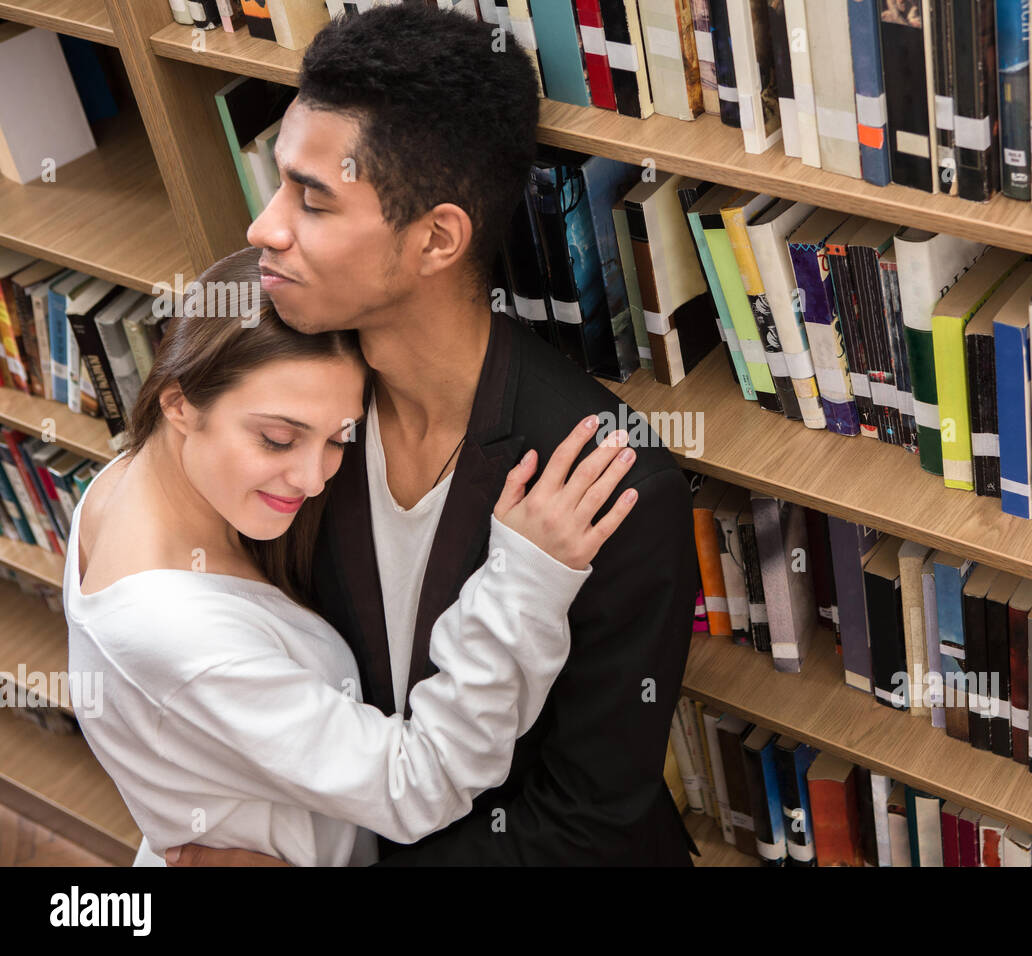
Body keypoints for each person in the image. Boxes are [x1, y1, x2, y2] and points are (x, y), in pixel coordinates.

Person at [168, 2, 698, 866]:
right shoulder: (284, 403)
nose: (264, 228)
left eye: (313, 201)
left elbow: (586, 825)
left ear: (437, 239)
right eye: (278, 186)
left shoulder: (612, 480)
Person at [68, 246, 641, 867]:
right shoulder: (176, 633)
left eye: (341, 437)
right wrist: (524, 580)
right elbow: (419, 785)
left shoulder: (127, 481)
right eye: (279, 438)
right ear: (180, 403)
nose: (313, 479)